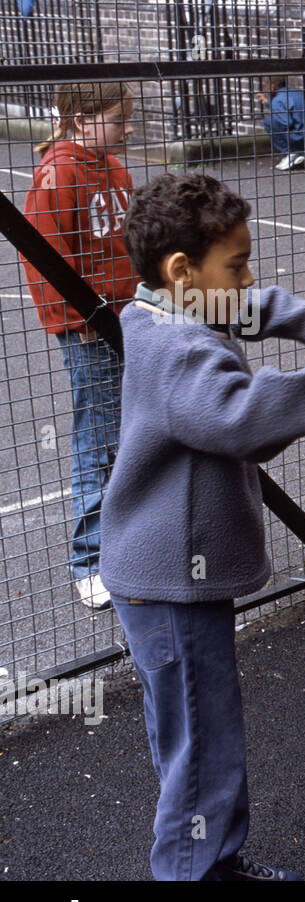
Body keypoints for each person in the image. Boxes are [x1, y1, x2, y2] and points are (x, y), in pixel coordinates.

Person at [103, 172, 305, 880]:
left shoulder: (167, 309)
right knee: (203, 750)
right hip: (172, 588)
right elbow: (246, 417)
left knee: (193, 742)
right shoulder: (181, 352)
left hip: (161, 582)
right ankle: (194, 871)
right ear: (185, 271)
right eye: (236, 264)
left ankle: (214, 862)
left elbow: (248, 307)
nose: (248, 278)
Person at [20, 81, 139, 610]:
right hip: (89, 328)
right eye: (119, 119)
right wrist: (75, 319)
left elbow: (132, 245)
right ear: (82, 119)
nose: (129, 128)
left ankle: (129, 543)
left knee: (131, 431)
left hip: (129, 319)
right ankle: (89, 560)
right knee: (98, 437)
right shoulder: (57, 174)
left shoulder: (115, 170)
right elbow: (43, 257)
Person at [256, 77, 305, 171]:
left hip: (300, 138)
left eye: (266, 84)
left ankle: (291, 153)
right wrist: (268, 103)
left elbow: (286, 122)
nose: (266, 87)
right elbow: (287, 107)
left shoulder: (277, 100)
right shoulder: (295, 93)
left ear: (272, 86)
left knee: (269, 122)